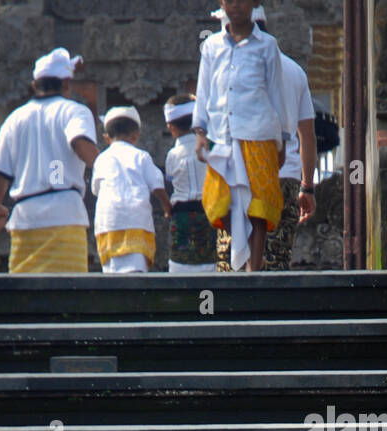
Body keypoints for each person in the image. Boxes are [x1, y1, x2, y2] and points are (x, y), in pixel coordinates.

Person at [193, 0, 292, 271]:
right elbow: (204, 91)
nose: (235, 6)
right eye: (230, 1)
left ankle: (254, 265)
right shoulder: (212, 46)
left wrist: (281, 138)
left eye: (241, 0)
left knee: (258, 204)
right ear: (222, 4)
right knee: (218, 202)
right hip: (221, 135)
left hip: (258, 132)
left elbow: (276, 94)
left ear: (253, 4)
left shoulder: (267, 45)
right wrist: (200, 131)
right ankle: (240, 250)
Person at [0, 48, 98, 273]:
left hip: (26, 219)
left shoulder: (15, 118)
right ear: (67, 83)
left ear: (35, 85)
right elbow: (80, 143)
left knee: (25, 301)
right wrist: (106, 167)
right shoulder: (75, 111)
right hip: (66, 215)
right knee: (68, 297)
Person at [257, 8, 317, 270]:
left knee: (234, 264)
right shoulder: (295, 71)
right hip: (287, 176)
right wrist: (308, 186)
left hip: (244, 175)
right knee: (276, 260)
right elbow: (307, 136)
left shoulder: (234, 68)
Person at [92, 106, 172, 274]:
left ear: (106, 138)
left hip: (109, 223)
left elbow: (95, 189)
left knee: (112, 273)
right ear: (136, 135)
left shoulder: (101, 159)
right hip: (136, 222)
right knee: (136, 273)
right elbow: (157, 186)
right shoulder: (141, 156)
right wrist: (167, 206)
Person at [164, 95, 219, 273]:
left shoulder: (173, 155)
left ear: (171, 128)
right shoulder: (210, 148)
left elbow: (171, 179)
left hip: (182, 216)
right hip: (209, 212)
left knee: (180, 268)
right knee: (211, 266)